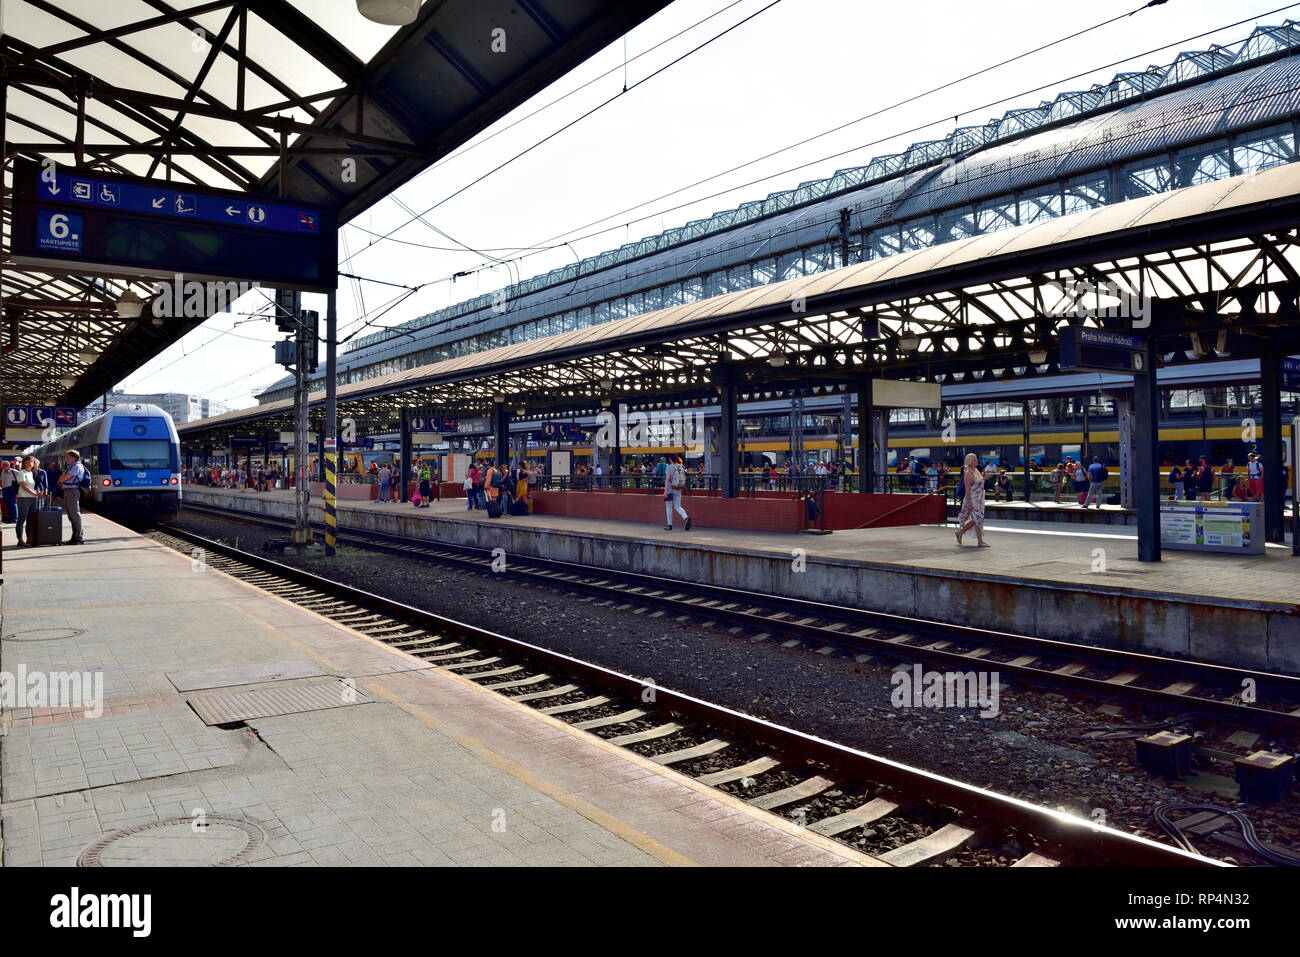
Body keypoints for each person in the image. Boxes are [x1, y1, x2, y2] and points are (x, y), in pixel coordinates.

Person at [955, 453, 988, 547]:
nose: (976, 461)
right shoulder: (968, 473)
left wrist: (984, 479)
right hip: (972, 499)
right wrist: (969, 503)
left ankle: (980, 541)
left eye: (976, 459)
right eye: (974, 460)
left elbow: (978, 483)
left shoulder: (976, 470)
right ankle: (960, 532)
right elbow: (967, 489)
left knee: (979, 519)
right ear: (969, 462)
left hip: (979, 498)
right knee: (976, 519)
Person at [13, 455, 44, 546]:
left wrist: (38, 492)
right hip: (23, 498)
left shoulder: (34, 473)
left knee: (30, 520)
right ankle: (20, 540)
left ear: (34, 463)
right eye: (27, 461)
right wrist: (34, 493)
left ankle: (29, 539)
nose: (30, 463)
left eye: (31, 461)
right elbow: (23, 486)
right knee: (21, 520)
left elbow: (35, 486)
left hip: (33, 499)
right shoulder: (22, 473)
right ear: (24, 463)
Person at [58, 449, 87, 545]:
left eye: (68, 457)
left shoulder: (77, 466)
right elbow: (62, 478)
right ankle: (75, 537)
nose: (66, 459)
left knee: (75, 515)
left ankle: (79, 537)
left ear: (73, 458)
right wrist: (62, 478)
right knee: (71, 516)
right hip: (68, 492)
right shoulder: (71, 466)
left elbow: (64, 478)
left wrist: (63, 478)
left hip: (72, 492)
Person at [664, 454, 690, 531]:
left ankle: (669, 525)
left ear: (670, 459)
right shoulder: (680, 466)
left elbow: (667, 479)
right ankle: (686, 518)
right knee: (678, 506)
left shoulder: (669, 467)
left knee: (668, 507)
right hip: (678, 488)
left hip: (669, 489)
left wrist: (665, 491)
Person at [0, 459, 15, 524]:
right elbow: (1, 480)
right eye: (3, 465)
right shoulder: (2, 472)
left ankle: (14, 519)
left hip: (11, 489)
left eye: (6, 465)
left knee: (13, 504)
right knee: (7, 505)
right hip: (4, 489)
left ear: (9, 465)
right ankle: (10, 518)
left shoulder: (14, 471)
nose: (4, 466)